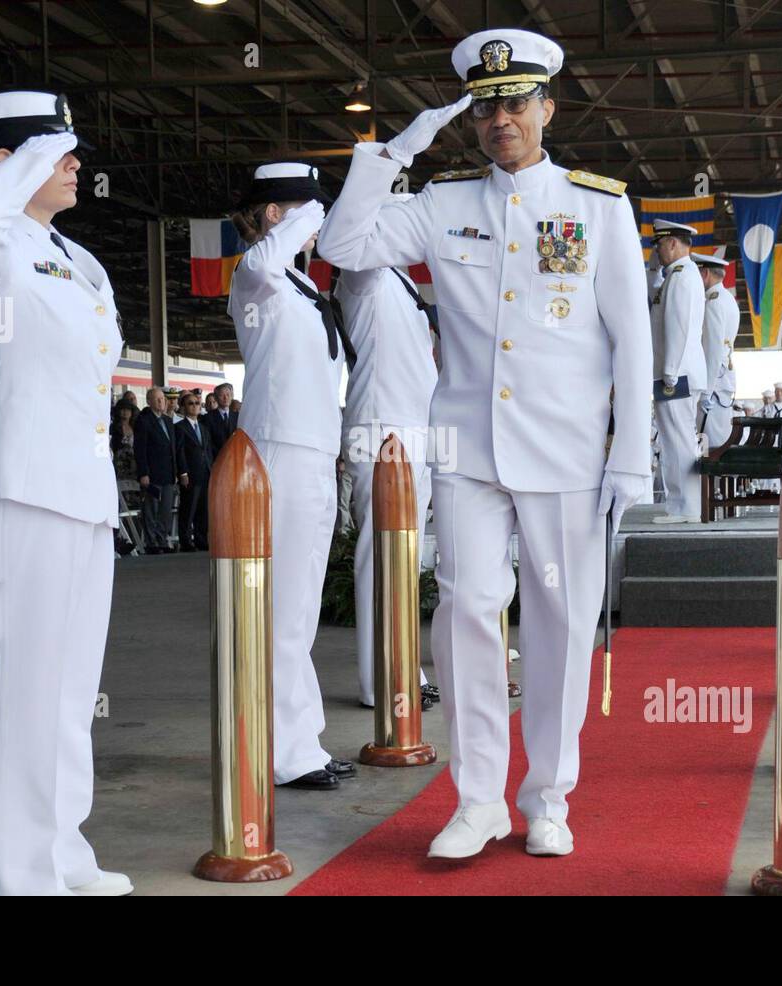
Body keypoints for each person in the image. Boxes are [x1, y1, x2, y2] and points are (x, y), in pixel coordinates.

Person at [318, 27, 651, 857]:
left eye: (515, 102)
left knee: (559, 625)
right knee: (465, 611)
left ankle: (549, 798)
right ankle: (477, 801)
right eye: (484, 107)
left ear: (547, 106)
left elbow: (632, 339)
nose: (501, 118)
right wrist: (397, 147)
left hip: (567, 453)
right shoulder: (443, 203)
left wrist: (630, 453)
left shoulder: (597, 205)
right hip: (467, 446)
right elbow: (342, 244)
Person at [0, 89, 129, 895]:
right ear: (7, 161)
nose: (76, 165)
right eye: (60, 152)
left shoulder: (76, 257)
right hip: (21, 485)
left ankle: (64, 855)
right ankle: (19, 876)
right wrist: (25, 158)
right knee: (24, 688)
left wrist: (42, 149)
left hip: (84, 490)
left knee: (66, 693)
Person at [227, 161, 355, 791]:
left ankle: (301, 740)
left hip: (313, 452)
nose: (320, 221)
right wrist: (305, 219)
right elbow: (258, 265)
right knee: (277, 610)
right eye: (308, 209)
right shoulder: (259, 276)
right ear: (277, 215)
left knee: (299, 609)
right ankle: (280, 749)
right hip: (274, 452)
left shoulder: (302, 287)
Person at [336, 209, 440, 709]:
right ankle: (383, 680)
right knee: (380, 557)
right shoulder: (363, 271)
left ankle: (405, 668)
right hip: (379, 428)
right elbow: (355, 224)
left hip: (413, 429)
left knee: (406, 557)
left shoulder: (399, 281)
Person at [648, 219, 706, 523]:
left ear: (672, 242)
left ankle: (686, 507)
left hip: (677, 373)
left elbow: (679, 328)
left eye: (659, 244)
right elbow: (652, 302)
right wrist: (652, 270)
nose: (656, 250)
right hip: (676, 372)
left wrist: (670, 371)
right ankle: (682, 504)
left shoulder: (683, 277)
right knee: (674, 440)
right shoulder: (675, 275)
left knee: (679, 441)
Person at [693, 252, 738, 450]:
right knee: (716, 446)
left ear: (704, 274)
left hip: (712, 386)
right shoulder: (728, 299)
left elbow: (712, 352)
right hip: (722, 382)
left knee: (706, 450)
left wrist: (705, 392)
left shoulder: (713, 303)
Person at [134, 387, 186, 554]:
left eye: (162, 399)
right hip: (152, 474)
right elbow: (140, 449)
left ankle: (162, 540)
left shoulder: (168, 421)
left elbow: (174, 449)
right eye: (157, 399)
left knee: (165, 510)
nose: (161, 402)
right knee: (151, 509)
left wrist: (178, 472)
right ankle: (152, 543)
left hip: (168, 473)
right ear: (149, 402)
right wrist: (143, 473)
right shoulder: (144, 421)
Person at [173, 390, 213, 551]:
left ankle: (201, 539)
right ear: (183, 407)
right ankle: (186, 541)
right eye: (191, 403)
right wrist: (183, 473)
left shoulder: (203, 427)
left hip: (205, 472)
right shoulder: (180, 427)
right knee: (188, 508)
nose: (195, 406)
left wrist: (212, 469)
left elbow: (208, 450)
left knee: (203, 508)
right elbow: (179, 451)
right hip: (190, 473)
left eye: (197, 403)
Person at [202, 382, 238, 452]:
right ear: (215, 398)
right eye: (222, 395)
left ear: (232, 396)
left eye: (228, 395)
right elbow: (208, 442)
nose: (225, 398)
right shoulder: (208, 418)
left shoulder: (237, 416)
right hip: (217, 457)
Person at [110, 403, 138, 482]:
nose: (125, 412)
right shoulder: (113, 427)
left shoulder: (136, 427)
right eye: (122, 409)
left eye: (128, 410)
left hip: (134, 464)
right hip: (118, 463)